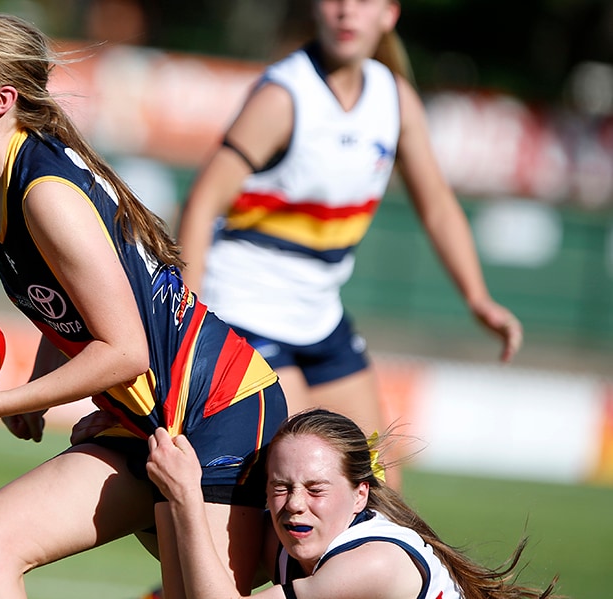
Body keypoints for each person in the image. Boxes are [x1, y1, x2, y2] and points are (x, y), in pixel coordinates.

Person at [0, 12, 288, 599]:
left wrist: (3, 401)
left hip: (218, 410)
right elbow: (65, 302)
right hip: (148, 422)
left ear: (0, 99)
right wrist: (39, 379)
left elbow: (127, 351)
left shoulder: (45, 194)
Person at [175, 0, 524, 451]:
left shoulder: (395, 98)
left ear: (389, 14)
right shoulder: (284, 95)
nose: (346, 12)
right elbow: (202, 202)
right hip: (245, 310)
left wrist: (478, 298)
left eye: (362, 1)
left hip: (320, 318)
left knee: (379, 478)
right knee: (292, 470)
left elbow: (436, 204)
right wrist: (188, 320)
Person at [146, 408, 561, 599]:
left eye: (316, 489)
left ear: (360, 493)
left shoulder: (372, 562)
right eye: (281, 486)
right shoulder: (285, 543)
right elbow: (196, 569)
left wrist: (185, 499)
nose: (294, 505)